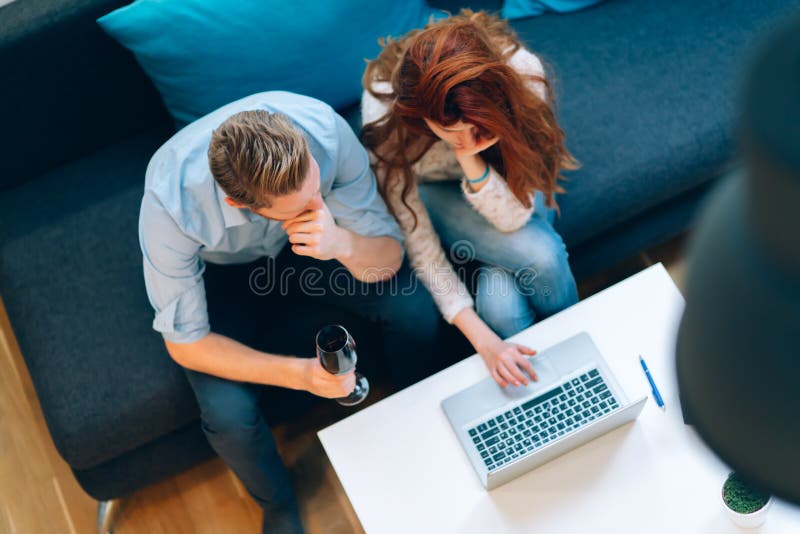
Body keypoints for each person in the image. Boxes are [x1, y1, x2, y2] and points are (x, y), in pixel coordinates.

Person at [139, 91, 439, 533]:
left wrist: (340, 242)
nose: (316, 202)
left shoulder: (322, 130)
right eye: (302, 206)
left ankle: (422, 412)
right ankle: (277, 504)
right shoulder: (170, 205)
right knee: (226, 413)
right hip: (223, 275)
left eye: (316, 186)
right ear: (242, 204)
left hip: (316, 250)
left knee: (413, 307)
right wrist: (302, 375)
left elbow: (389, 256)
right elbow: (187, 344)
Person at [361, 10, 580, 390]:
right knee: (535, 261)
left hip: (511, 185)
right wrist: (485, 344)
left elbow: (514, 217)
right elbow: (421, 246)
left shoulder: (522, 73)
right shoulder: (382, 105)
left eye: (477, 129)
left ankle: (579, 356)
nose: (463, 138)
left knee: (504, 305)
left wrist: (471, 160)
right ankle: (550, 389)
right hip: (434, 192)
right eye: (450, 131)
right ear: (419, 116)